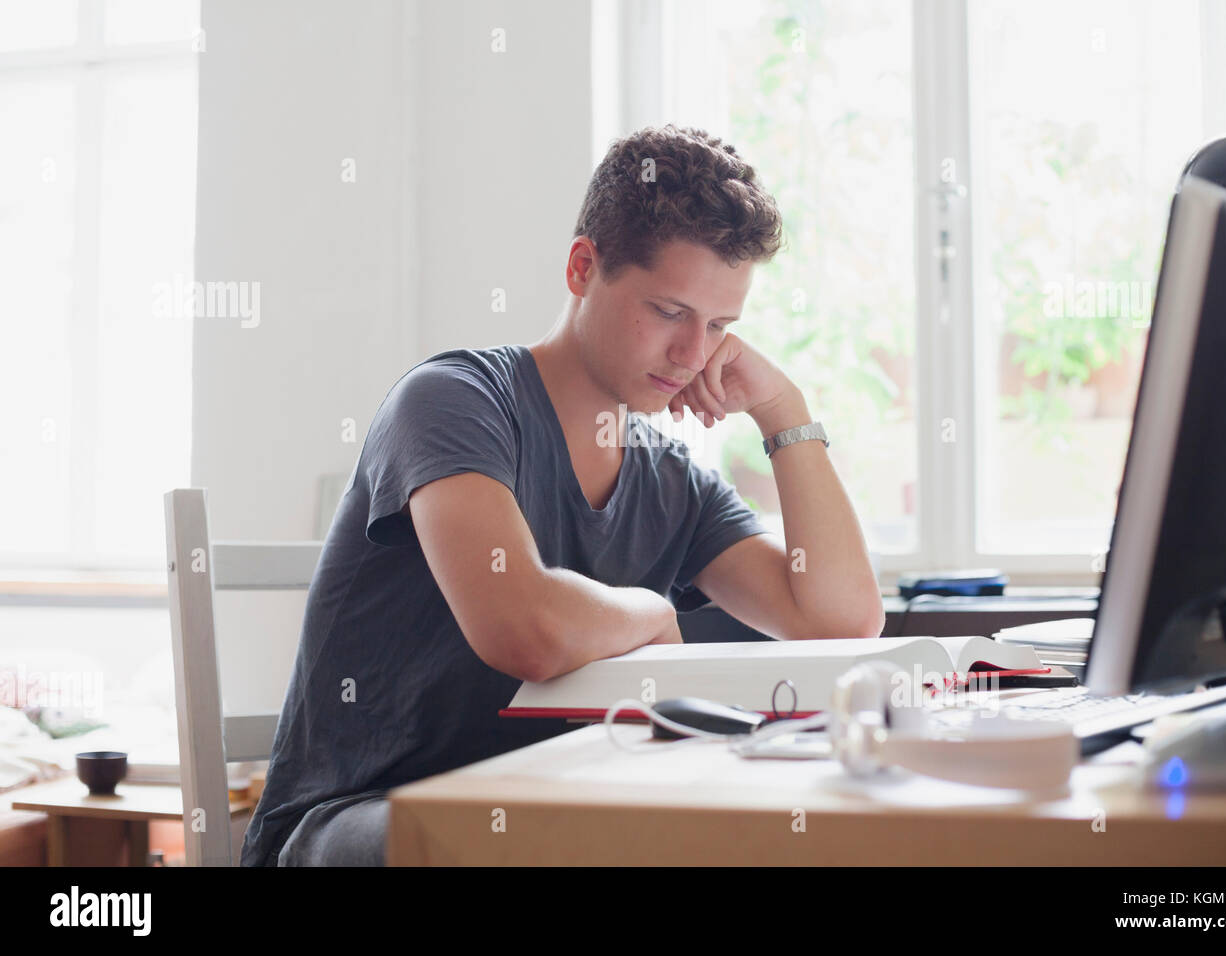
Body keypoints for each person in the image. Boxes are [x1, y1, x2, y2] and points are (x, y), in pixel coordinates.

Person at [240, 124, 884, 866]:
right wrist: (653, 611)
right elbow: (526, 630)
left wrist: (783, 408)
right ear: (583, 267)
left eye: (719, 327)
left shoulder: (667, 476)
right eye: (671, 312)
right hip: (360, 823)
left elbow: (838, 619)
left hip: (551, 809)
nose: (693, 353)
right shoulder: (453, 402)